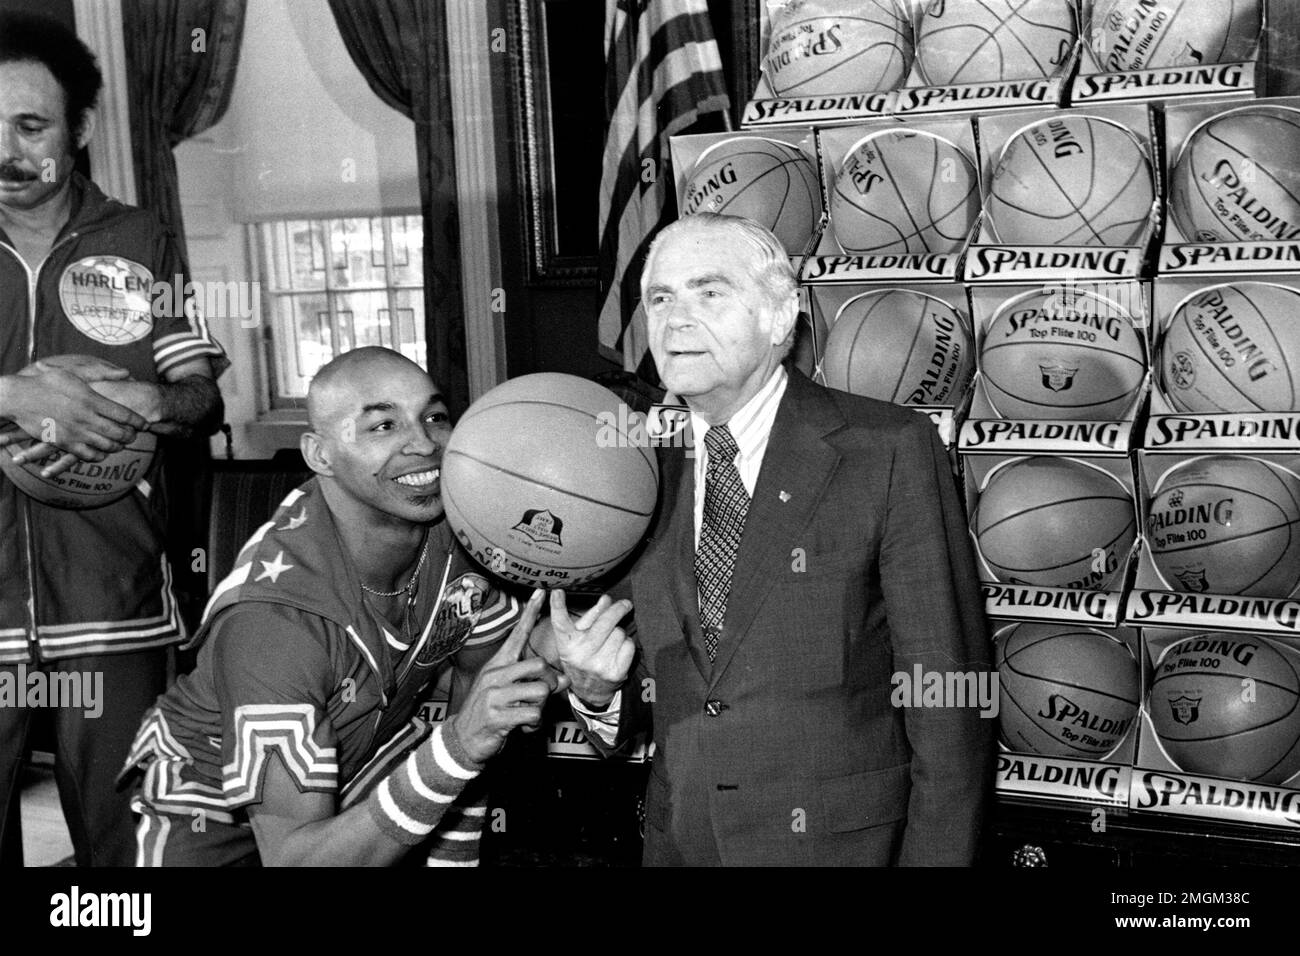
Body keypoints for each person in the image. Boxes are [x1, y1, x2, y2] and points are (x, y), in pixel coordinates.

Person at [545, 213, 995, 866]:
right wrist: (597, 692)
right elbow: (660, 685)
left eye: (709, 292)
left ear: (781, 317)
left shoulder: (887, 449)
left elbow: (948, 702)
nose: (676, 319)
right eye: (660, 299)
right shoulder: (629, 467)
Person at [121, 348, 564, 866]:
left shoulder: (458, 530)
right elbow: (294, 859)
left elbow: (480, 688)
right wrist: (462, 744)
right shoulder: (276, 623)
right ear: (320, 454)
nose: (423, 443)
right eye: (382, 426)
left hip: (357, 778)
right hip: (216, 824)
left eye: (435, 416)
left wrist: (564, 664)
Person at [0, 12, 226, 866]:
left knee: (125, 846)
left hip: (110, 600)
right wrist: (13, 394)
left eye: (29, 125)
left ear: (79, 129)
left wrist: (150, 399)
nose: (7, 151)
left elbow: (200, 396)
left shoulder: (138, 240)